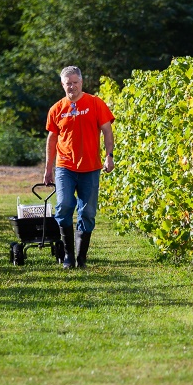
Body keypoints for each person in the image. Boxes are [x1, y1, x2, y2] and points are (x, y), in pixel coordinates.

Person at [44, 66, 115, 269]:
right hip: (65, 166)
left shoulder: (95, 103)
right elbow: (51, 140)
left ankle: (81, 258)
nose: (72, 86)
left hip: (90, 167)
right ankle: (68, 255)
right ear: (62, 85)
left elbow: (107, 131)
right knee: (64, 205)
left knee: (88, 212)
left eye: (75, 82)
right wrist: (48, 169)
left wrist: (109, 157)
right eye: (68, 83)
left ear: (81, 82)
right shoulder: (57, 109)